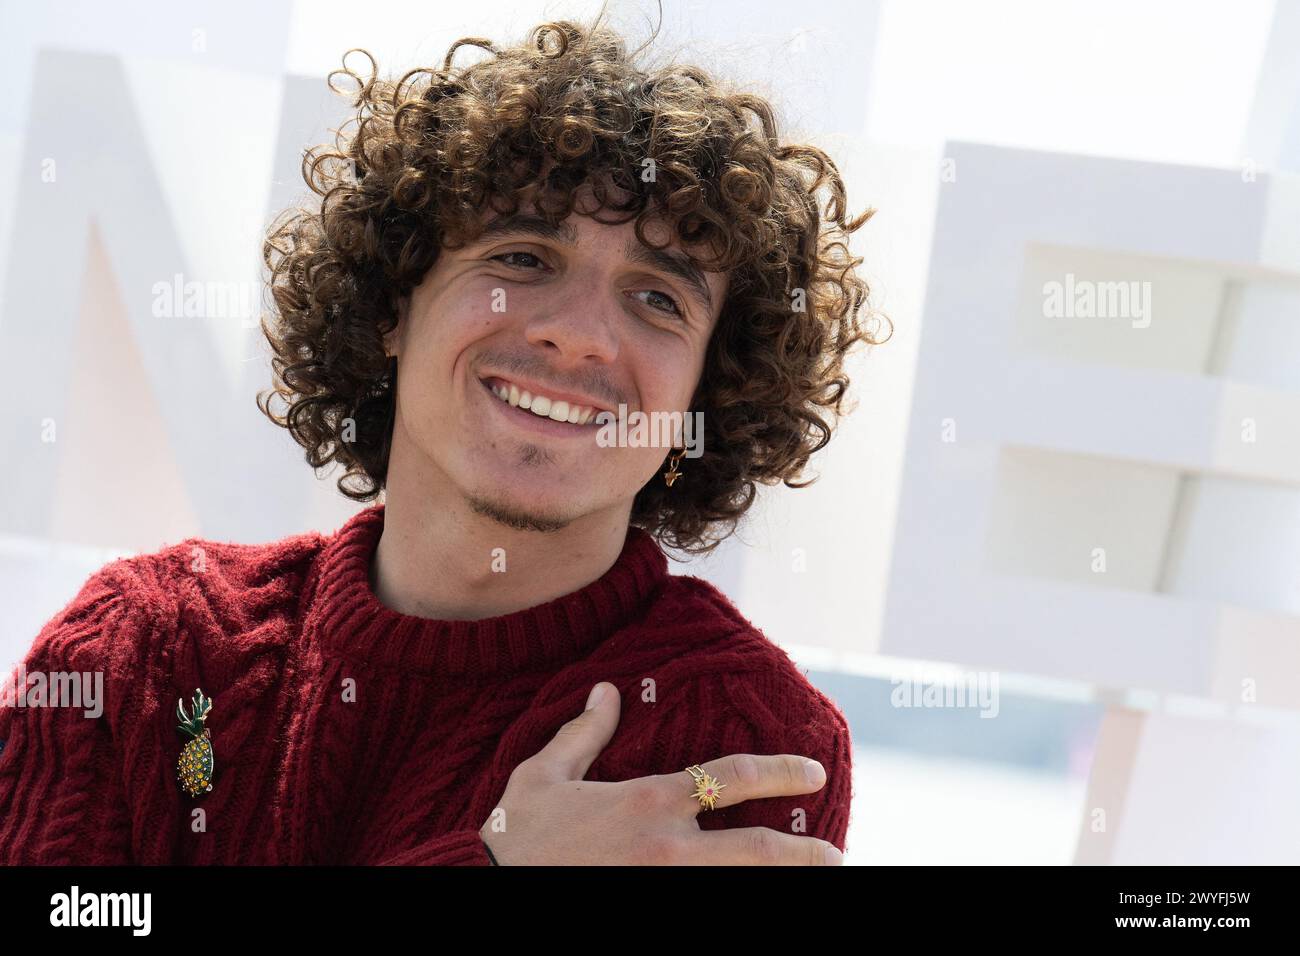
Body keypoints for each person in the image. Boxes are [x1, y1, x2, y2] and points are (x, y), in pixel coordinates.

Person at [0, 11, 885, 865]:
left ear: (708, 392)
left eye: (660, 298)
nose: (578, 335)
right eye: (523, 259)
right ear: (393, 304)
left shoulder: (743, 736)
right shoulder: (141, 644)